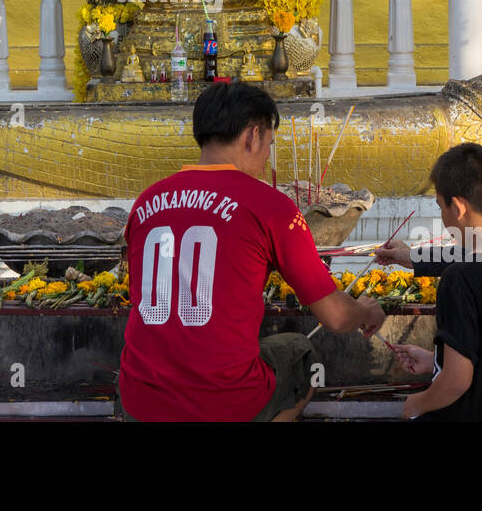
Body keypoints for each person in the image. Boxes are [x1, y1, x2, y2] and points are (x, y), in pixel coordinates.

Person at [118, 82, 385, 421]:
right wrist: (366, 312)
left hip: (140, 400)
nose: (265, 161)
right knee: (304, 355)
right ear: (252, 137)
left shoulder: (146, 202)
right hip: (225, 401)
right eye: (269, 146)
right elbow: (336, 317)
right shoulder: (270, 206)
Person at [389, 143, 482, 421]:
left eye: (440, 206)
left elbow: (457, 382)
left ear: (458, 207)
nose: (442, 216)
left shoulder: (459, 278)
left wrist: (417, 403)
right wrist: (436, 362)